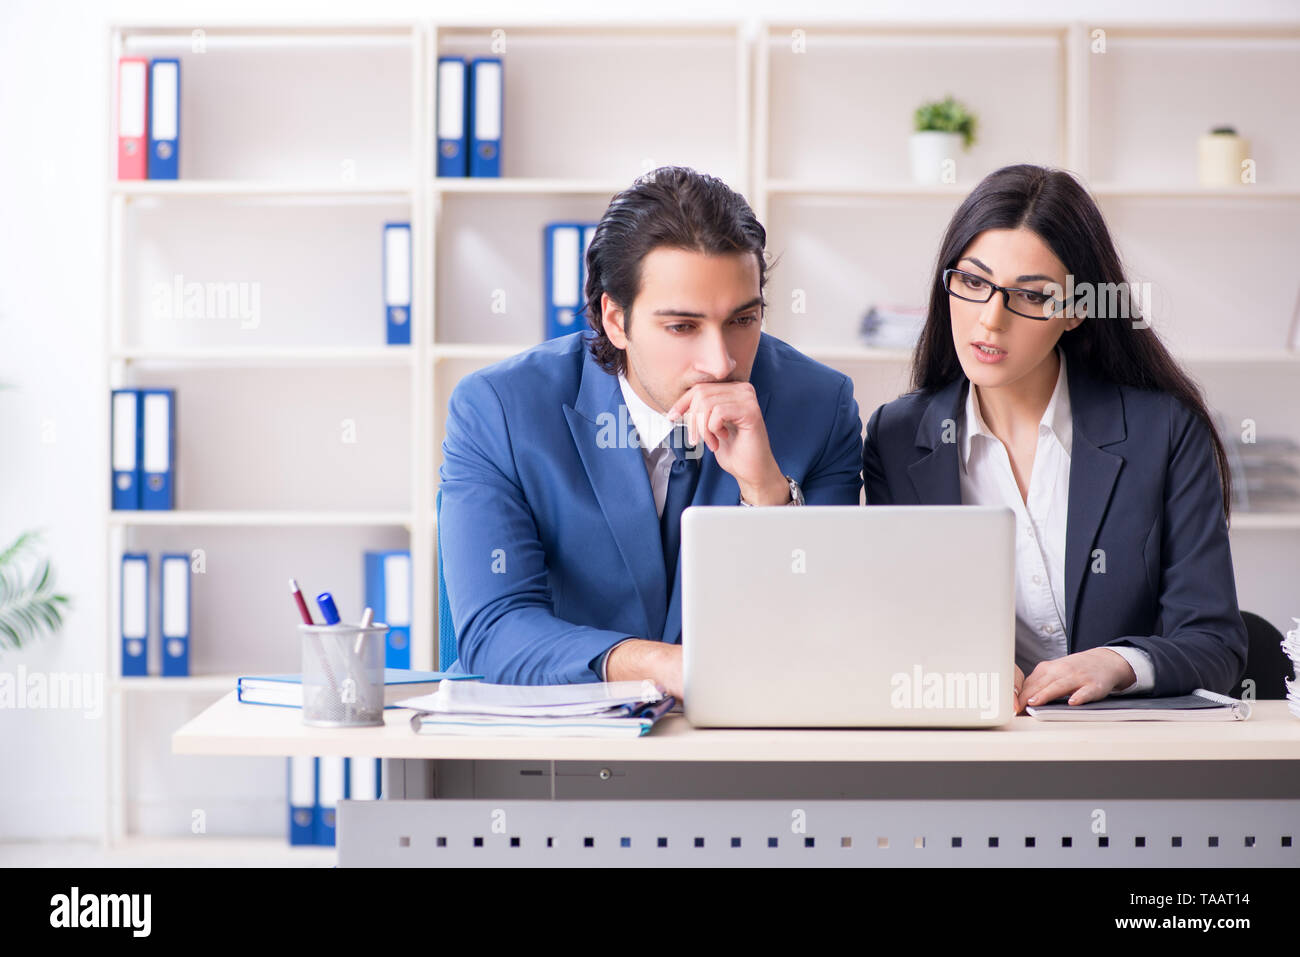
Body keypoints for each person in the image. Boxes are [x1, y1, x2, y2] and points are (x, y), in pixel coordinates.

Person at [439, 166, 863, 696]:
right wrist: (658, 665)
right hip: (552, 745)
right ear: (615, 319)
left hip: (746, 748)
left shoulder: (820, 406)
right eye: (683, 326)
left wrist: (767, 494)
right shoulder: (499, 409)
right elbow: (495, 629)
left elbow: (829, 627)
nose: (720, 361)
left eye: (742, 319)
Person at [862, 164, 1247, 712]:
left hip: (1125, 751)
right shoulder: (897, 437)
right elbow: (888, 625)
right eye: (973, 282)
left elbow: (1215, 644)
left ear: (1076, 312)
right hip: (971, 744)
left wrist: (1116, 664)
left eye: (1033, 296)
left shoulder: (1163, 431)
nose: (990, 320)